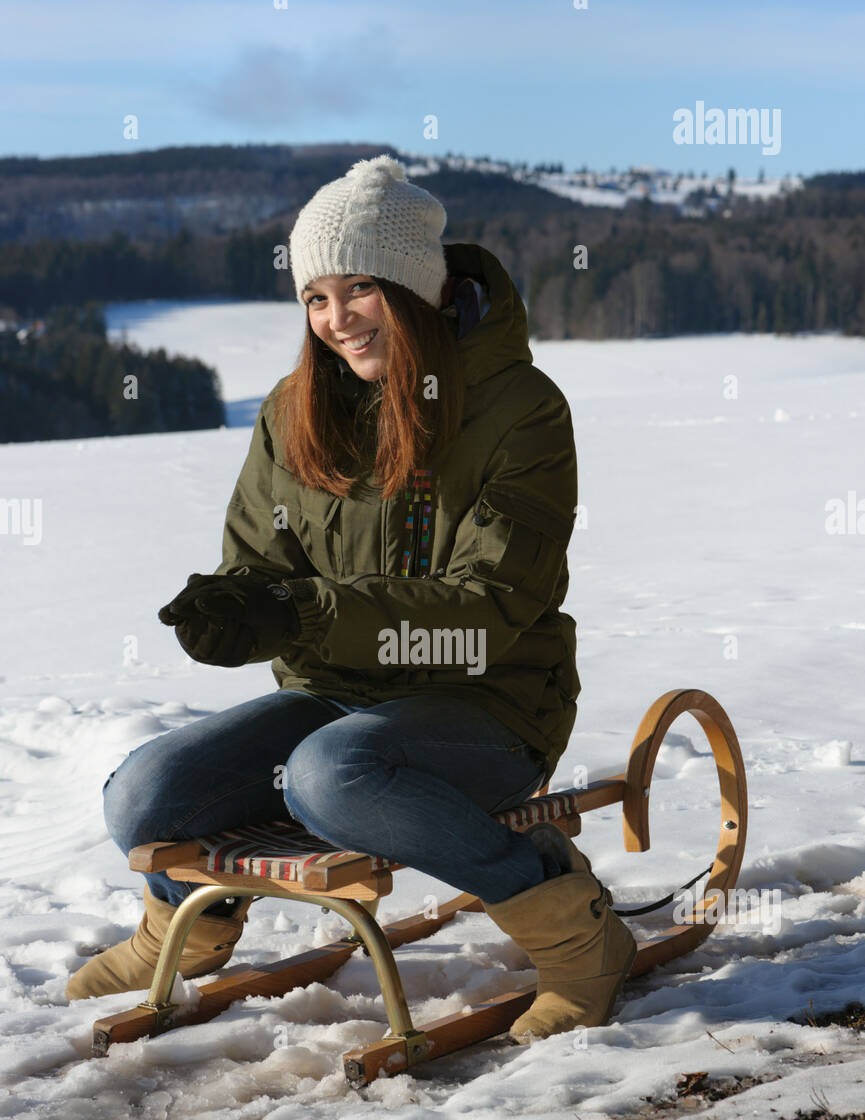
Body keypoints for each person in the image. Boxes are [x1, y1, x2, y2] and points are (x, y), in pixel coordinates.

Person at [66, 155, 635, 1041]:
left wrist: (308, 613)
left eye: (359, 288)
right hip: (333, 697)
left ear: (415, 285)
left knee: (334, 774)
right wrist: (235, 607)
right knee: (144, 792)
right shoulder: (294, 408)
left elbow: (487, 608)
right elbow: (262, 558)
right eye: (315, 299)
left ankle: (569, 930)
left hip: (487, 701)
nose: (336, 321)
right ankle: (180, 929)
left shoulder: (518, 409)